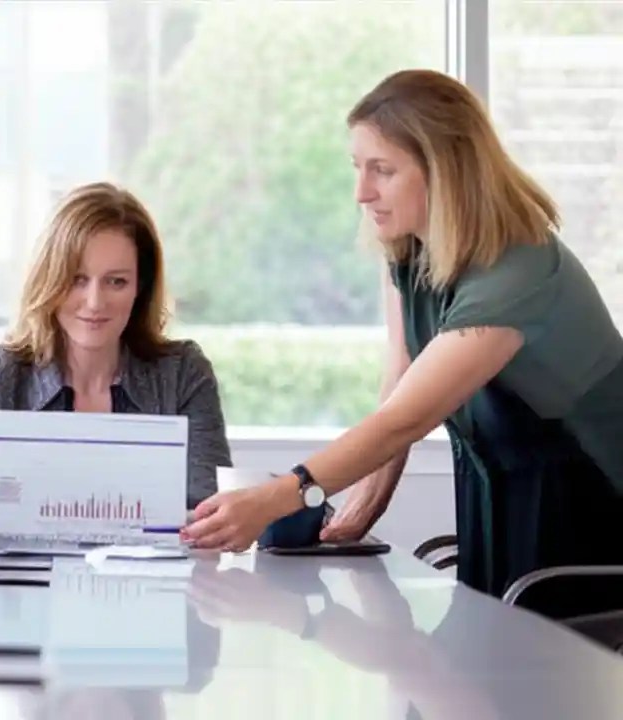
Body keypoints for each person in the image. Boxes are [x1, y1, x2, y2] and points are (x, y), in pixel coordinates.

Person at [181, 69, 623, 615]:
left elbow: (407, 418)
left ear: (446, 171)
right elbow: (402, 385)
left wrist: (275, 500)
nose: (361, 192)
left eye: (382, 171)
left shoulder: (519, 274)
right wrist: (365, 504)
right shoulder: (410, 251)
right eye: (357, 168)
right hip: (508, 523)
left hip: (587, 532)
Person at [0, 182, 232, 541]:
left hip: (154, 589)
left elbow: (207, 513)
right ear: (49, 279)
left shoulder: (183, 373)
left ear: (140, 287)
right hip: (26, 591)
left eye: (116, 281)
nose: (95, 302)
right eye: (77, 280)